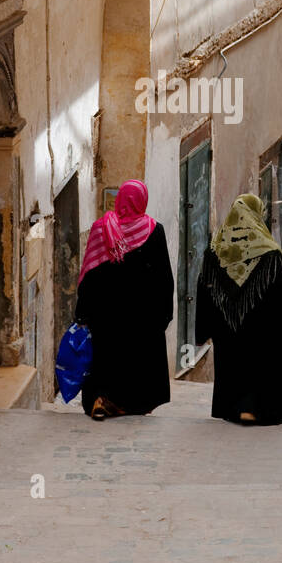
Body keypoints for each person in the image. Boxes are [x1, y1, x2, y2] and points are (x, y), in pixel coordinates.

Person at [195, 193, 282, 425]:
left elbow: (204, 290)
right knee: (260, 368)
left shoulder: (215, 251)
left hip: (226, 326)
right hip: (262, 327)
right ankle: (254, 409)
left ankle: (235, 408)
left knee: (231, 366)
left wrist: (203, 330)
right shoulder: (269, 252)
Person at [75, 180, 173, 420]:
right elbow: (163, 277)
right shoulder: (153, 230)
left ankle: (100, 399)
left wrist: (83, 311)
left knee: (105, 357)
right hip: (141, 314)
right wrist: (164, 313)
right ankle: (126, 404)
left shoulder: (101, 228)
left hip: (105, 313)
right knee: (134, 360)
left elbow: (88, 272)